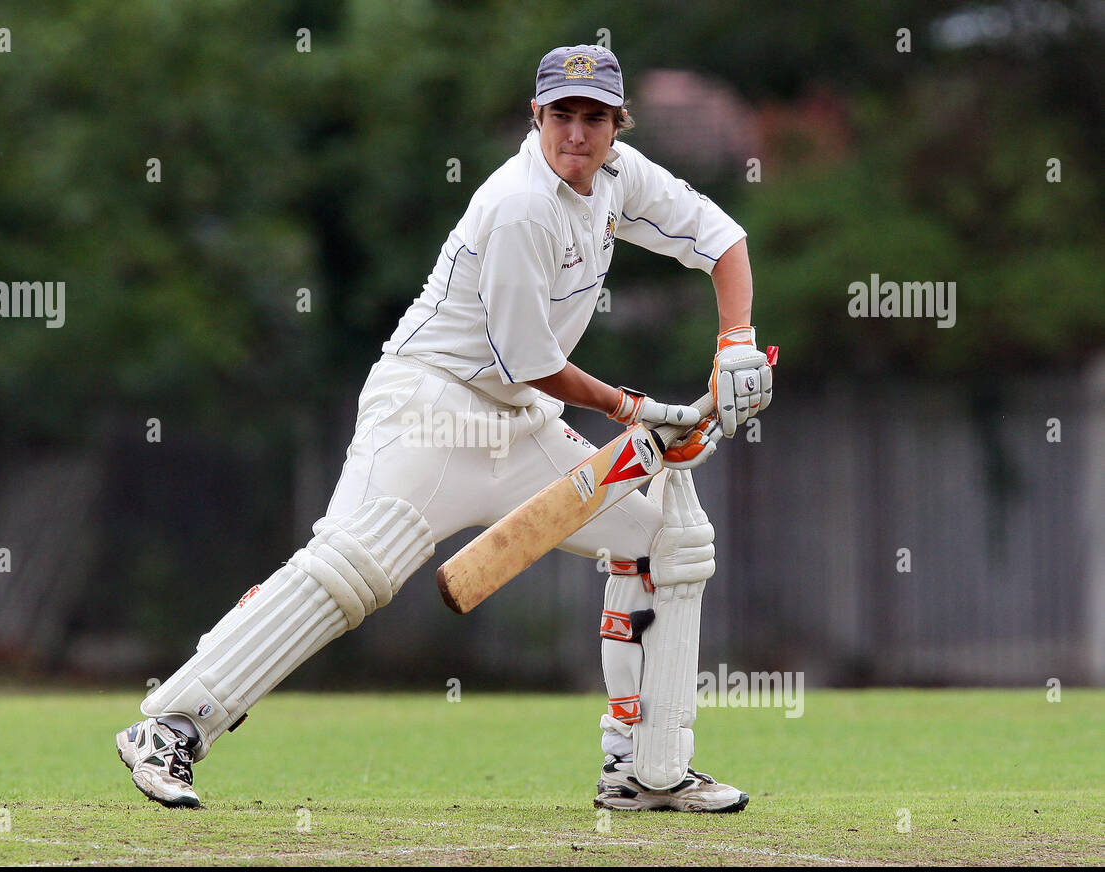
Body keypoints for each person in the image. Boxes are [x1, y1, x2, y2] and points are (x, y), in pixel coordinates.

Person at [116, 44, 771, 813]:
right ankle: (170, 727)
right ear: (538, 117)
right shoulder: (518, 204)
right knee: (353, 569)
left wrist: (737, 341)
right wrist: (636, 410)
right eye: (562, 115)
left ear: (617, 125)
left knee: (664, 541)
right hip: (430, 407)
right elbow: (533, 360)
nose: (577, 134)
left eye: (594, 118)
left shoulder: (624, 177)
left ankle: (645, 768)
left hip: (521, 427)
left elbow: (724, 241)